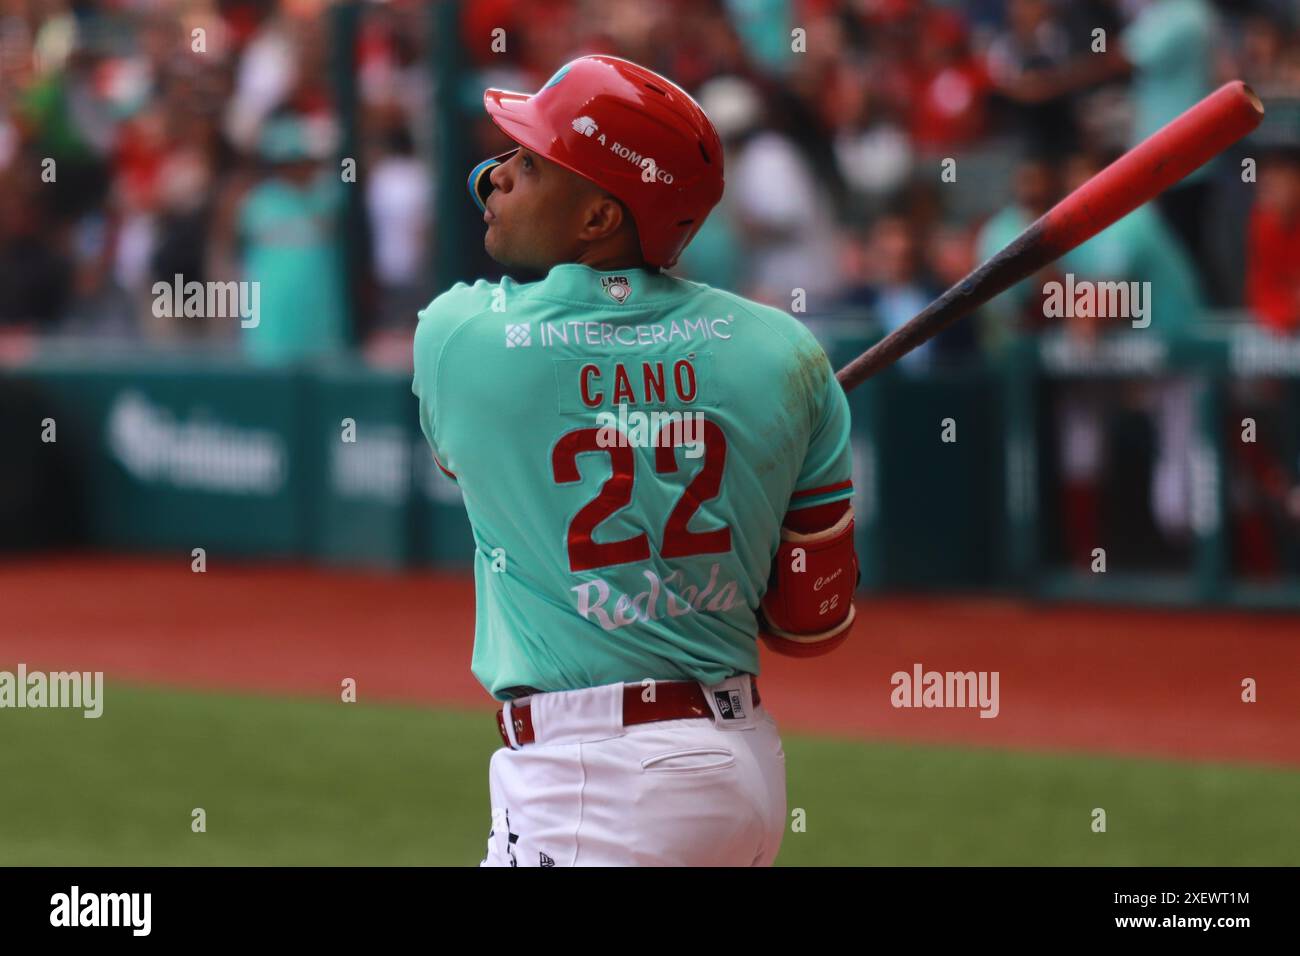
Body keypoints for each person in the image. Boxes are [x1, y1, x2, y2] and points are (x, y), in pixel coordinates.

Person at [410, 55, 859, 867]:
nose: (496, 177)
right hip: (741, 771)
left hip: (595, 778)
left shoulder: (459, 337)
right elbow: (811, 622)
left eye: (529, 162)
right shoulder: (785, 353)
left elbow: (468, 464)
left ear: (597, 220)